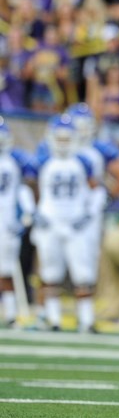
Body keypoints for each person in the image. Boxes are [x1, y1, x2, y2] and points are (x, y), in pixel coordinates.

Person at [32, 114, 102, 332]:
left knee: (83, 274)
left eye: (66, 138)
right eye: (59, 138)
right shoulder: (43, 159)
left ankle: (86, 320)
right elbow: (32, 188)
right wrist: (36, 212)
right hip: (51, 221)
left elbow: (97, 191)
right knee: (50, 273)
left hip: (75, 222)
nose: (62, 143)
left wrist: (88, 214)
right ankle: (53, 320)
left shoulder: (84, 161)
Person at [0, 119, 35, 326]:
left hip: (6, 222)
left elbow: (24, 191)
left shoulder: (16, 160)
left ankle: (11, 314)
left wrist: (24, 218)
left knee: (5, 270)